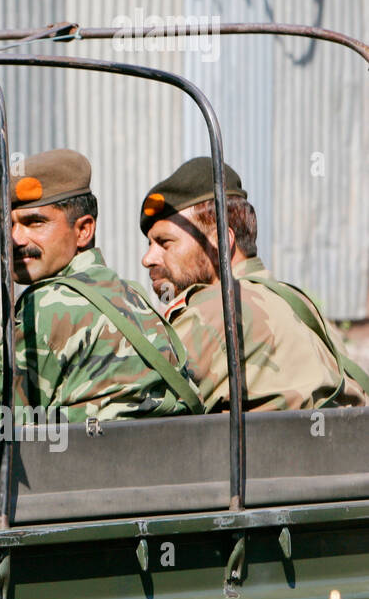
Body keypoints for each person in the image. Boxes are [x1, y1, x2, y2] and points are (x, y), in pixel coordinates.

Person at [0, 149, 200, 421]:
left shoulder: (49, 303)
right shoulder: (131, 295)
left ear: (83, 230)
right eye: (7, 225)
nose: (15, 238)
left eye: (35, 223)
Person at [140, 157, 369, 411]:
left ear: (219, 242)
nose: (147, 259)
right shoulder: (299, 305)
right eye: (149, 244)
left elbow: (131, 407)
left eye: (165, 242)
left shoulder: (217, 311)